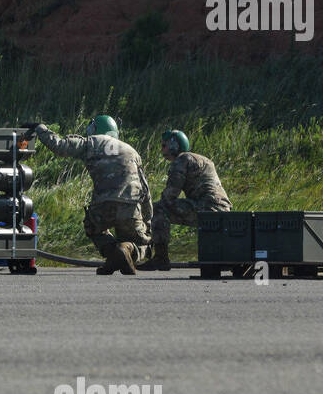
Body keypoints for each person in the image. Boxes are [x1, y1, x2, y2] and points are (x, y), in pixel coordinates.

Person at [27, 115, 152, 275]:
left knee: (93, 227)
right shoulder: (131, 151)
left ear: (95, 128)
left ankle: (113, 254)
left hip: (102, 206)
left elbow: (59, 146)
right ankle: (126, 249)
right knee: (141, 242)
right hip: (130, 207)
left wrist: (40, 128)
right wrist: (147, 222)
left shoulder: (90, 143)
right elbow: (145, 191)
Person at [137, 129, 231, 271]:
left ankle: (160, 258)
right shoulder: (203, 159)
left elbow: (171, 194)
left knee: (159, 209)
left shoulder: (182, 159)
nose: (162, 150)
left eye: (164, 146)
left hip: (206, 209)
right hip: (222, 209)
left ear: (174, 145)